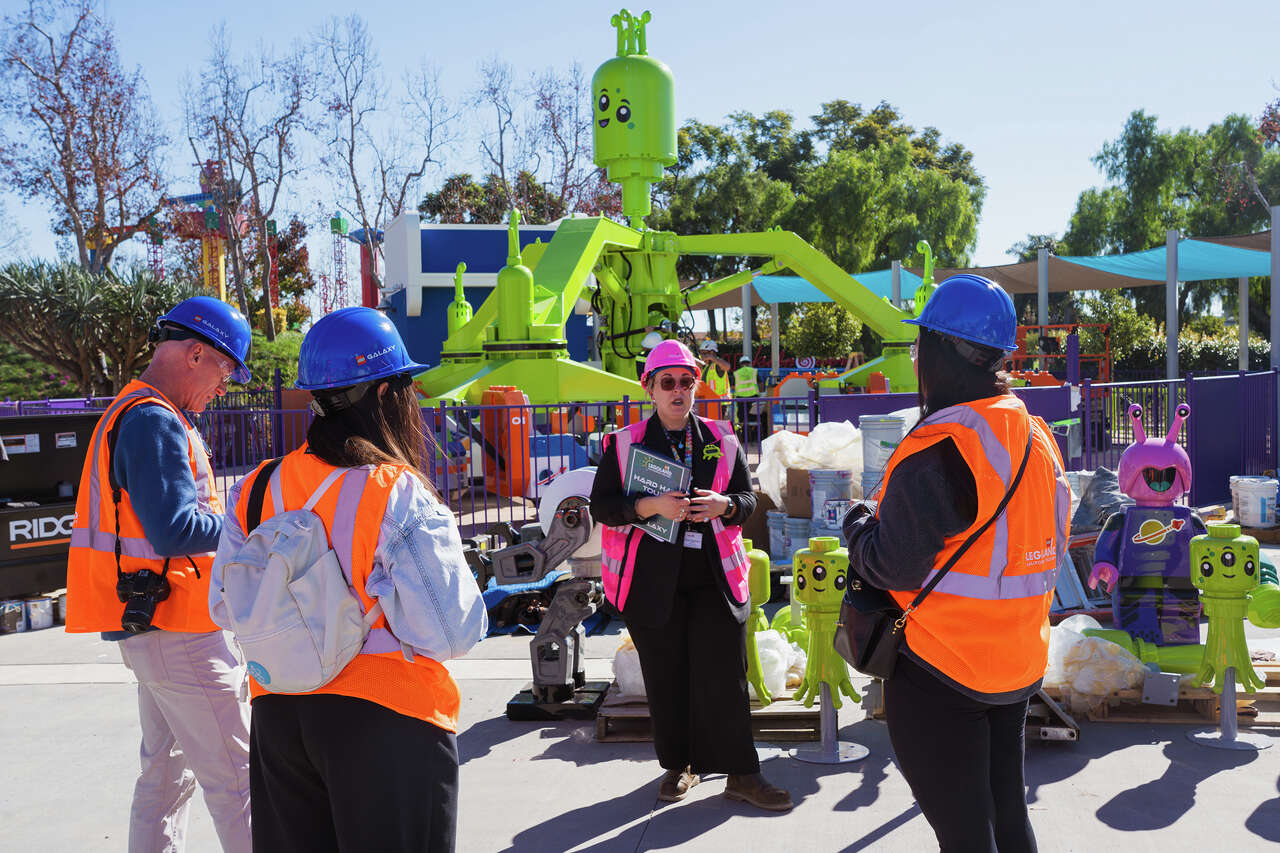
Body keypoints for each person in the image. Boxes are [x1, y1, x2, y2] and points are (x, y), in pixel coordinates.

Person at [214, 306, 487, 852]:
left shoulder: (258, 487)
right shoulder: (395, 490)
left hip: (279, 715)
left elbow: (226, 606)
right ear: (385, 394)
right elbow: (451, 631)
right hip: (389, 718)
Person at [843, 274, 1070, 852]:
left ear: (942, 350)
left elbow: (892, 566)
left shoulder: (940, 446)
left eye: (921, 347)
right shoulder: (1033, 435)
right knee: (1008, 819)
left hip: (940, 670)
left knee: (967, 835)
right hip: (1015, 665)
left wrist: (858, 528)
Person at [65, 295, 254, 853]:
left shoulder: (137, 411)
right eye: (226, 369)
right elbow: (174, 529)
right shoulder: (153, 420)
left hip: (154, 628)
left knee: (166, 778)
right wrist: (249, 524)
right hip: (181, 632)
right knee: (239, 782)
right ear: (196, 354)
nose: (225, 385)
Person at [589, 339, 792, 811]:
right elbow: (602, 507)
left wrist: (725, 505)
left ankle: (743, 772)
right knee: (667, 678)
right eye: (668, 382)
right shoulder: (624, 445)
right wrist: (648, 506)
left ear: (696, 385)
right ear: (650, 389)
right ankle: (679, 766)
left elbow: (746, 500)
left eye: (686, 380)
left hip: (712, 579)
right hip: (653, 585)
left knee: (725, 678)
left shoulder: (721, 439)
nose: (678, 390)